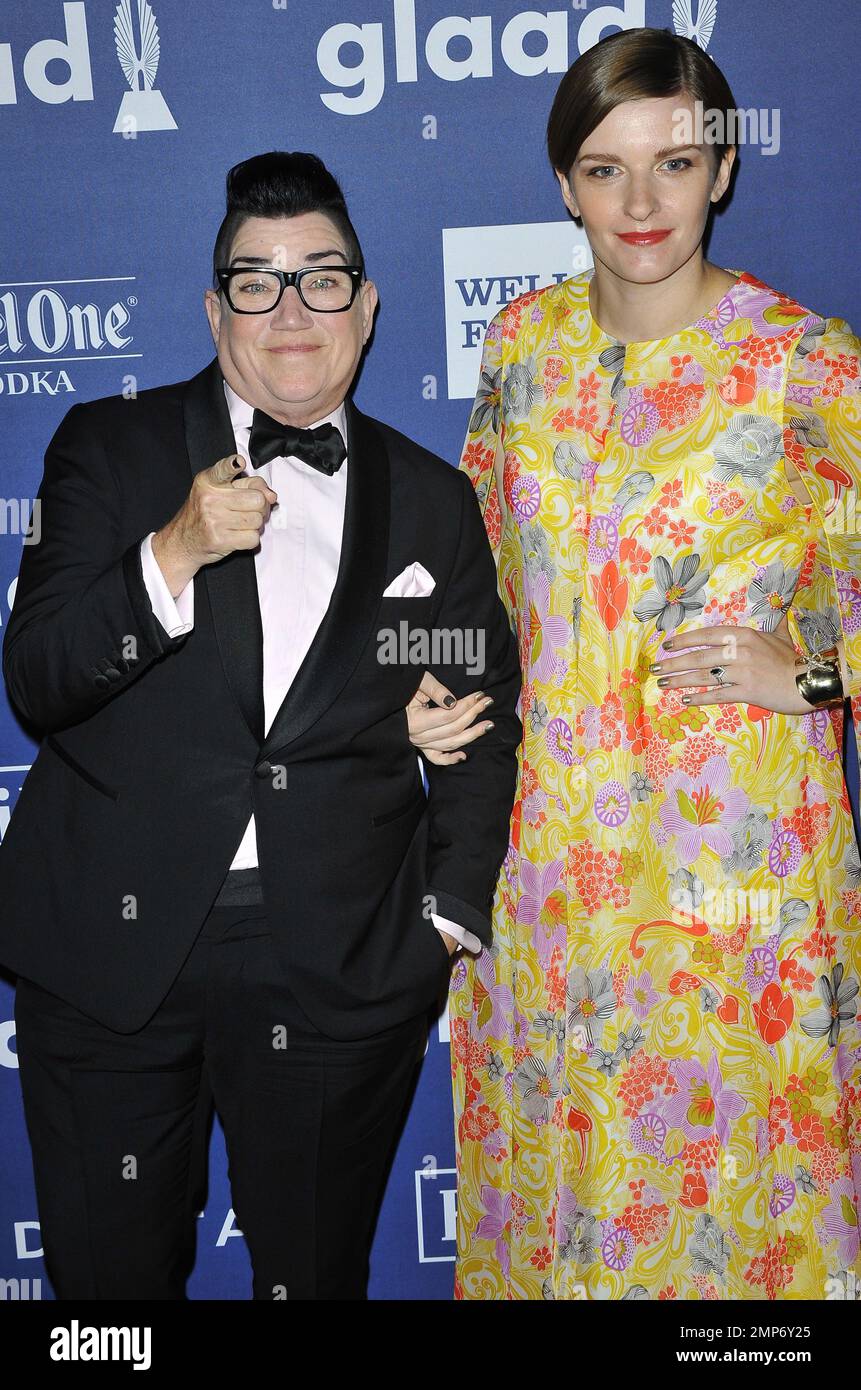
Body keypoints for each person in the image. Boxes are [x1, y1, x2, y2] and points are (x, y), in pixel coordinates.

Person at [0, 151, 522, 1300]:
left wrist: (445, 915)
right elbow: (37, 676)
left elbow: (471, 713)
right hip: (112, 955)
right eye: (257, 281)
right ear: (213, 305)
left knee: (315, 1280)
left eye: (322, 278)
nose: (291, 311)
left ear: (369, 305)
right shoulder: (112, 447)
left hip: (338, 961)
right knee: (105, 1303)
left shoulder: (434, 501)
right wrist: (172, 551)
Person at [409, 28, 861, 1299]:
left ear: (722, 166)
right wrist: (433, 685)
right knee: (559, 1198)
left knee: (731, 1198)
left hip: (738, 871)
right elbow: (477, 572)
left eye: (675, 160)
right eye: (606, 169)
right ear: (565, 185)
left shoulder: (806, 367)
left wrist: (815, 678)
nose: (643, 201)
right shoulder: (522, 348)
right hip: (553, 867)